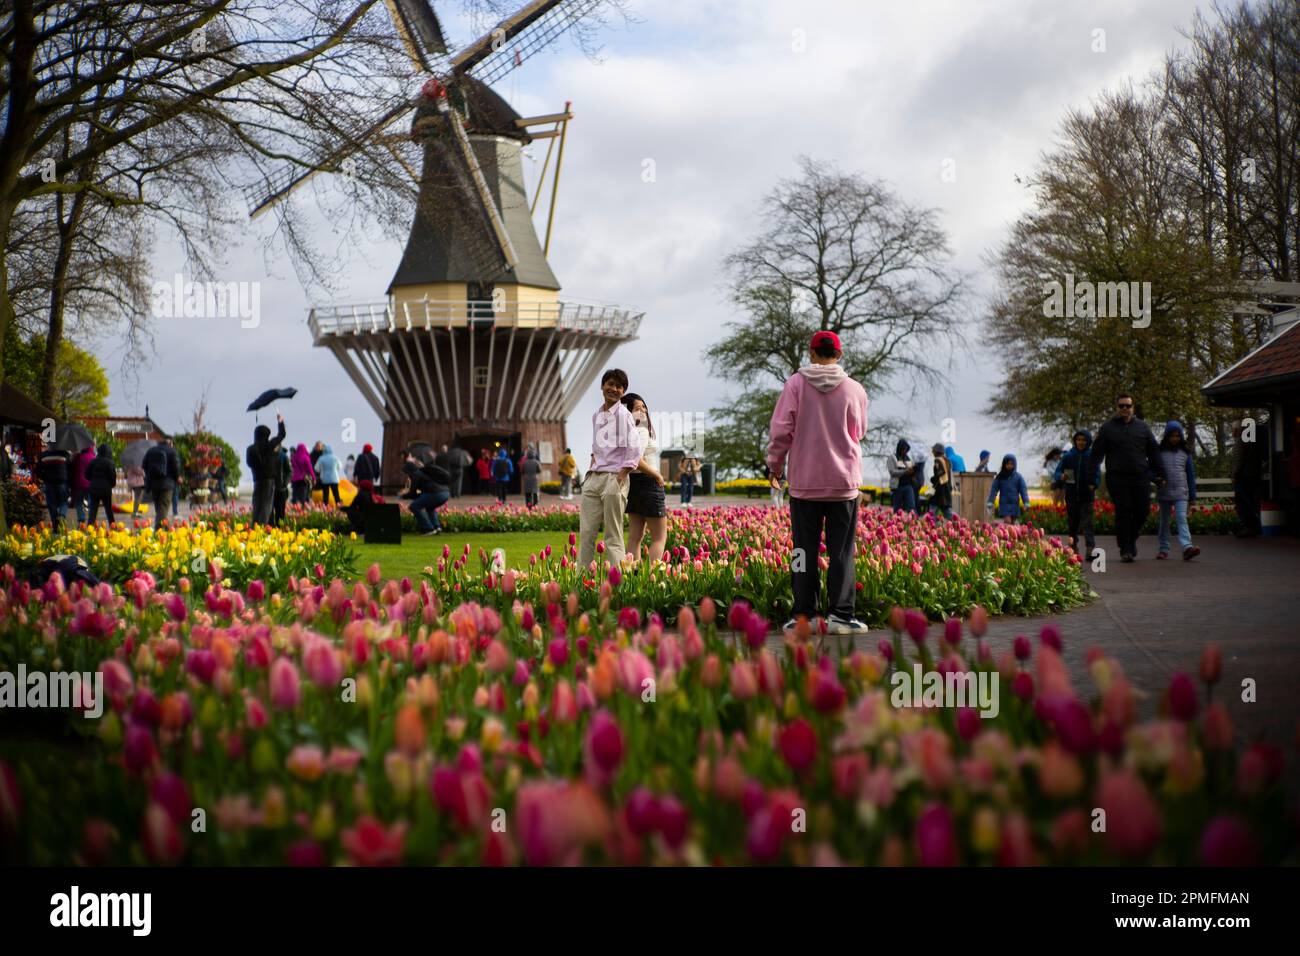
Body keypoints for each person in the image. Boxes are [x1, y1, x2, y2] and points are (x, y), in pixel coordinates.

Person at [768, 330, 870, 636]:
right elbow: (859, 431)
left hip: (805, 482)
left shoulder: (795, 385)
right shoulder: (855, 389)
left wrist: (775, 466)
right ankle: (842, 614)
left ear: (811, 353)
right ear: (839, 355)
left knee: (802, 551)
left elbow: (781, 431)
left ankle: (804, 614)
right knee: (842, 551)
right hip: (843, 483)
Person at [578, 369, 645, 568]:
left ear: (623, 392)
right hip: (594, 479)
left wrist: (620, 477)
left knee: (613, 536)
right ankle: (580, 584)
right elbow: (597, 447)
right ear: (602, 386)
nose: (614, 389)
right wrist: (590, 470)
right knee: (586, 533)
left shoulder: (624, 416)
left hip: (614, 478)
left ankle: (618, 587)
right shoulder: (597, 415)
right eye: (610, 384)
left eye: (619, 386)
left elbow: (634, 449)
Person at [1089, 393, 1165, 562]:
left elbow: (1153, 451)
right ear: (1117, 408)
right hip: (1117, 478)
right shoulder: (1107, 428)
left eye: (1127, 406)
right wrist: (1091, 477)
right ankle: (1126, 549)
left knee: (1143, 510)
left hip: (1140, 476)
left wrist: (1160, 474)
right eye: (1121, 406)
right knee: (1123, 511)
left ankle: (1129, 539)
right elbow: (1096, 454)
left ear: (1133, 407)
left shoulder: (1143, 428)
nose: (1124, 408)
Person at [623, 393, 667, 563]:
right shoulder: (640, 431)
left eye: (643, 407)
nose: (642, 410)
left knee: (635, 537)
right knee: (659, 538)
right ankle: (652, 580)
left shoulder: (627, 433)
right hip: (648, 484)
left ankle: (632, 576)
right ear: (628, 413)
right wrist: (656, 474)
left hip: (633, 484)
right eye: (636, 408)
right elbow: (635, 460)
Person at [1156, 421, 1199, 561]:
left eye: (1177, 436)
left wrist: (1192, 499)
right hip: (1164, 493)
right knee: (1164, 522)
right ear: (1167, 436)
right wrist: (1157, 480)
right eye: (1172, 436)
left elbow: (1191, 476)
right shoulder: (1159, 452)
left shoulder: (1185, 453)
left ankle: (1187, 547)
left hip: (1181, 493)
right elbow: (1152, 470)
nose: (1175, 438)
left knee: (1182, 519)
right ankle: (1163, 549)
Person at [1054, 429, 1100, 559]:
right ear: (1075, 441)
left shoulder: (1092, 456)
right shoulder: (1069, 456)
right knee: (1072, 523)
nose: (1081, 442)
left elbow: (1097, 474)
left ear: (1088, 441)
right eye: (1078, 440)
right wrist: (1061, 476)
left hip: (1087, 495)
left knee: (1088, 523)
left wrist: (1094, 484)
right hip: (1071, 495)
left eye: (1084, 440)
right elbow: (1057, 472)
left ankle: (1090, 549)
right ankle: (1072, 548)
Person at [245, 414, 287, 526]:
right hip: (269, 479)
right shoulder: (270, 445)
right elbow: (282, 435)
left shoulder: (250, 449)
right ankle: (263, 527)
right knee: (266, 505)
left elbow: (249, 463)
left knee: (257, 503)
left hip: (257, 479)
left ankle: (255, 525)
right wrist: (280, 421)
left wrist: (258, 467)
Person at [402, 452, 450, 535]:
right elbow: (420, 491)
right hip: (445, 492)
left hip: (436, 493)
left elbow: (413, 491)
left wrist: (403, 496)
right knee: (430, 507)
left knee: (414, 506)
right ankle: (436, 527)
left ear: (409, 470)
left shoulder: (415, 475)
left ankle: (428, 528)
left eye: (406, 472)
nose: (406, 474)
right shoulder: (422, 472)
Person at [1230, 420, 1263, 538]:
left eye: (1232, 429)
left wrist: (1234, 476)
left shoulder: (1240, 442)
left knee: (1242, 503)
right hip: (1254, 476)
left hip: (1243, 477)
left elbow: (1238, 461)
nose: (1231, 432)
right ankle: (1255, 526)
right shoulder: (1252, 442)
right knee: (1252, 502)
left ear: (1237, 430)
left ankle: (1248, 527)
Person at [142, 439, 180, 531]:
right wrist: (177, 478)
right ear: (170, 443)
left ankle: (165, 528)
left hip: (154, 484)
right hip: (167, 484)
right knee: (163, 507)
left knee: (159, 507)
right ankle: (158, 530)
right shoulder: (171, 451)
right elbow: (176, 467)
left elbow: (144, 465)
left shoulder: (151, 451)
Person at [36, 445, 72, 529]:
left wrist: (44, 477)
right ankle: (62, 515)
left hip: (49, 483)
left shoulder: (43, 455)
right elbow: (70, 469)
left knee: (52, 504)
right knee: (64, 501)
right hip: (62, 483)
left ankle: (55, 526)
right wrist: (68, 480)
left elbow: (37, 470)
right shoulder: (65, 454)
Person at [986, 454, 1029, 523]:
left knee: (1013, 524)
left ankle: (1009, 533)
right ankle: (1006, 532)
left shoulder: (1018, 477)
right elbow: (994, 490)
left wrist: (1026, 502)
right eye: (1007, 464)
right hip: (1004, 505)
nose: (1009, 465)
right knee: (1007, 522)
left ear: (1014, 464)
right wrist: (991, 501)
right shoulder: (1000, 477)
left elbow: (1023, 490)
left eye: (1011, 464)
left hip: (1014, 504)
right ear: (1004, 464)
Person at [86, 443, 117, 526]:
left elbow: (86, 474)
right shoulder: (110, 462)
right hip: (106, 490)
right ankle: (113, 526)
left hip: (94, 489)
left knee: (93, 511)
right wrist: (112, 485)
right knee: (108, 510)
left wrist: (93, 480)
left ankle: (90, 528)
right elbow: (113, 476)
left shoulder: (93, 461)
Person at [887, 440, 918, 513]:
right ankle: (896, 523)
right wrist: (905, 472)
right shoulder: (893, 457)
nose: (905, 451)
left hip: (908, 485)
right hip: (898, 487)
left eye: (906, 449)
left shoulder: (908, 458)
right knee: (898, 508)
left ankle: (910, 522)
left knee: (911, 506)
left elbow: (910, 470)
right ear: (899, 448)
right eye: (903, 449)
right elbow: (892, 472)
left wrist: (913, 471)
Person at [70, 446, 94, 525]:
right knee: (91, 502)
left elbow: (72, 469)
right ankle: (91, 519)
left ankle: (81, 518)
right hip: (90, 484)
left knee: (79, 502)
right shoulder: (93, 457)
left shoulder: (78, 457)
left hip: (79, 484)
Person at [928, 444, 953, 519]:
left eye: (933, 450)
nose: (932, 452)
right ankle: (954, 525)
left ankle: (931, 526)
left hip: (939, 490)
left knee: (932, 511)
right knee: (946, 511)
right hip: (946, 490)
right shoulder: (947, 460)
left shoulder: (938, 460)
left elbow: (940, 472)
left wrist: (933, 479)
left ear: (937, 451)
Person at [273, 445, 291, 527]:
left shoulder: (283, 456)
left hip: (281, 488)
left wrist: (284, 483)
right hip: (271, 488)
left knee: (280, 511)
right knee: (270, 510)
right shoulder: (270, 455)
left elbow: (289, 471)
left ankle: (280, 528)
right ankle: (271, 527)